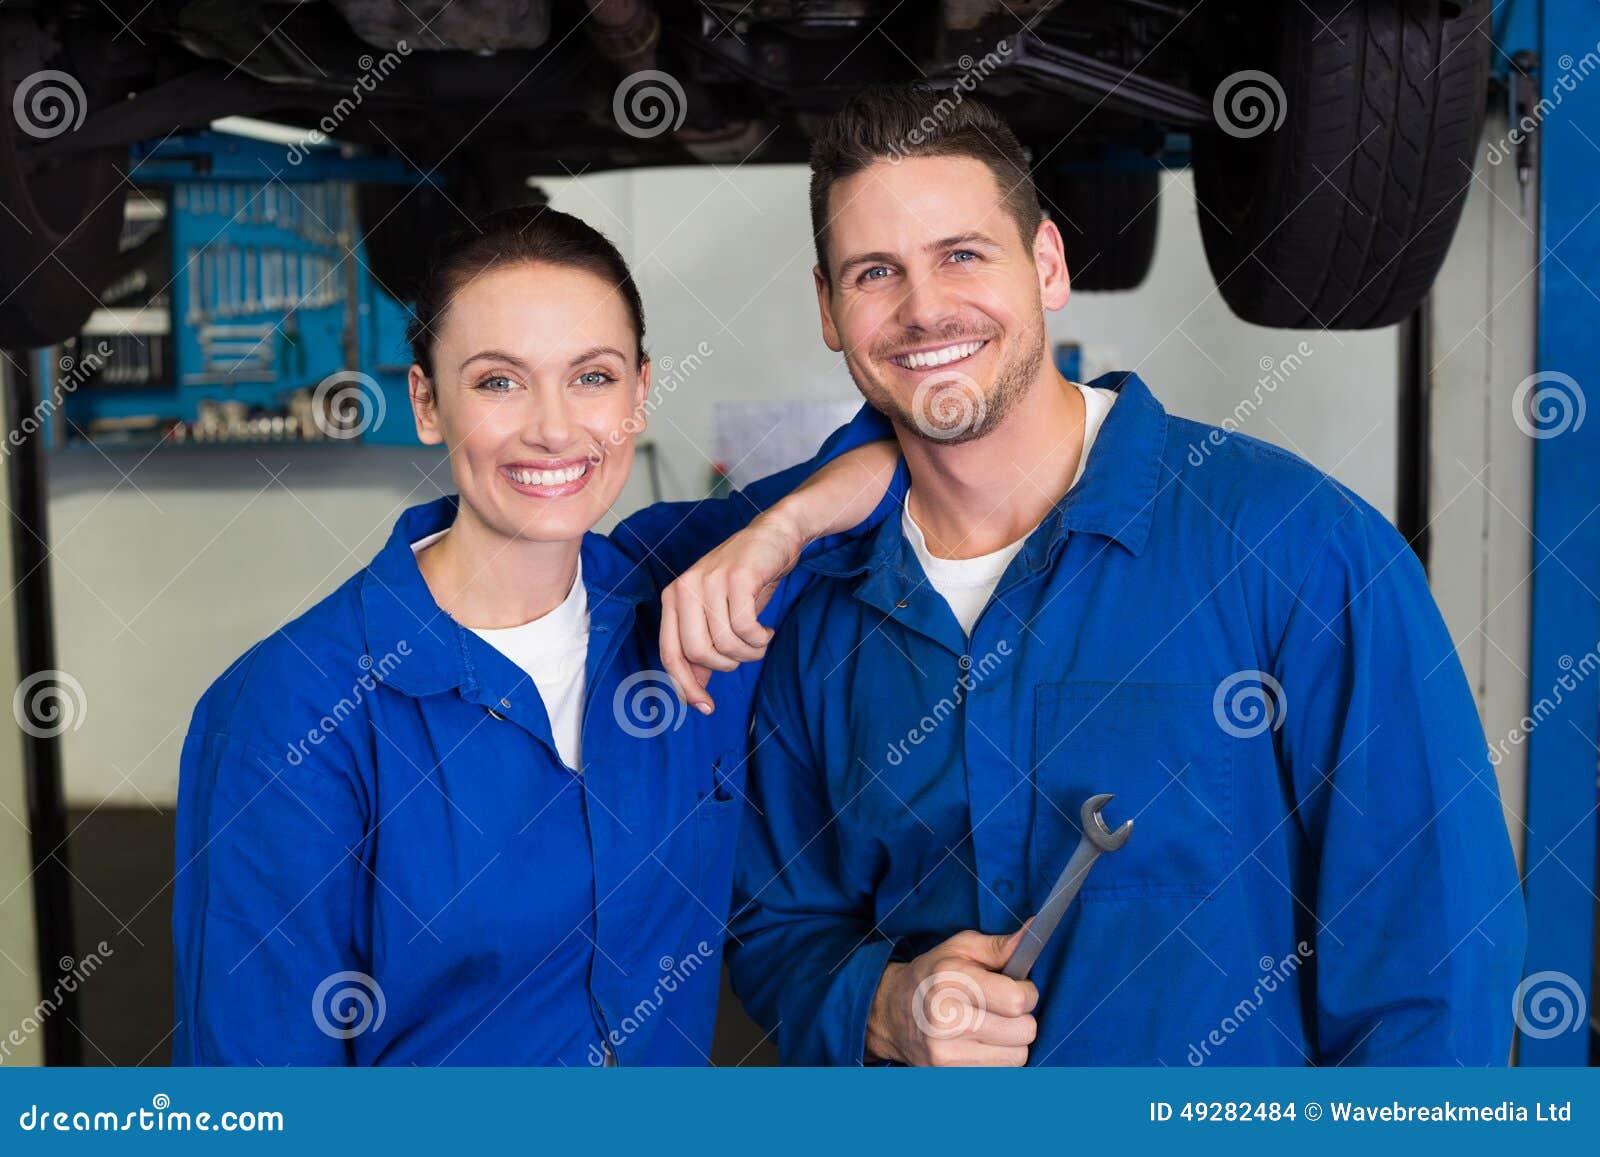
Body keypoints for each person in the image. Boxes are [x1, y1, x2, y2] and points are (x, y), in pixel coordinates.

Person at [716, 85, 1526, 1066]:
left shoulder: (1296, 548)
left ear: (1047, 264)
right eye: (874, 272)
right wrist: (877, 1005)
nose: (924, 308)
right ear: (828, 309)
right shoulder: (817, 614)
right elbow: (778, 925)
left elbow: (1433, 962)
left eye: (961, 254)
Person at [172, 205, 899, 1065]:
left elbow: (909, 452)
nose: (553, 427)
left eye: (592, 377)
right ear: (426, 401)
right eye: (498, 381)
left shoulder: (690, 588)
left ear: (639, 389)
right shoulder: (292, 709)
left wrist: (782, 531)